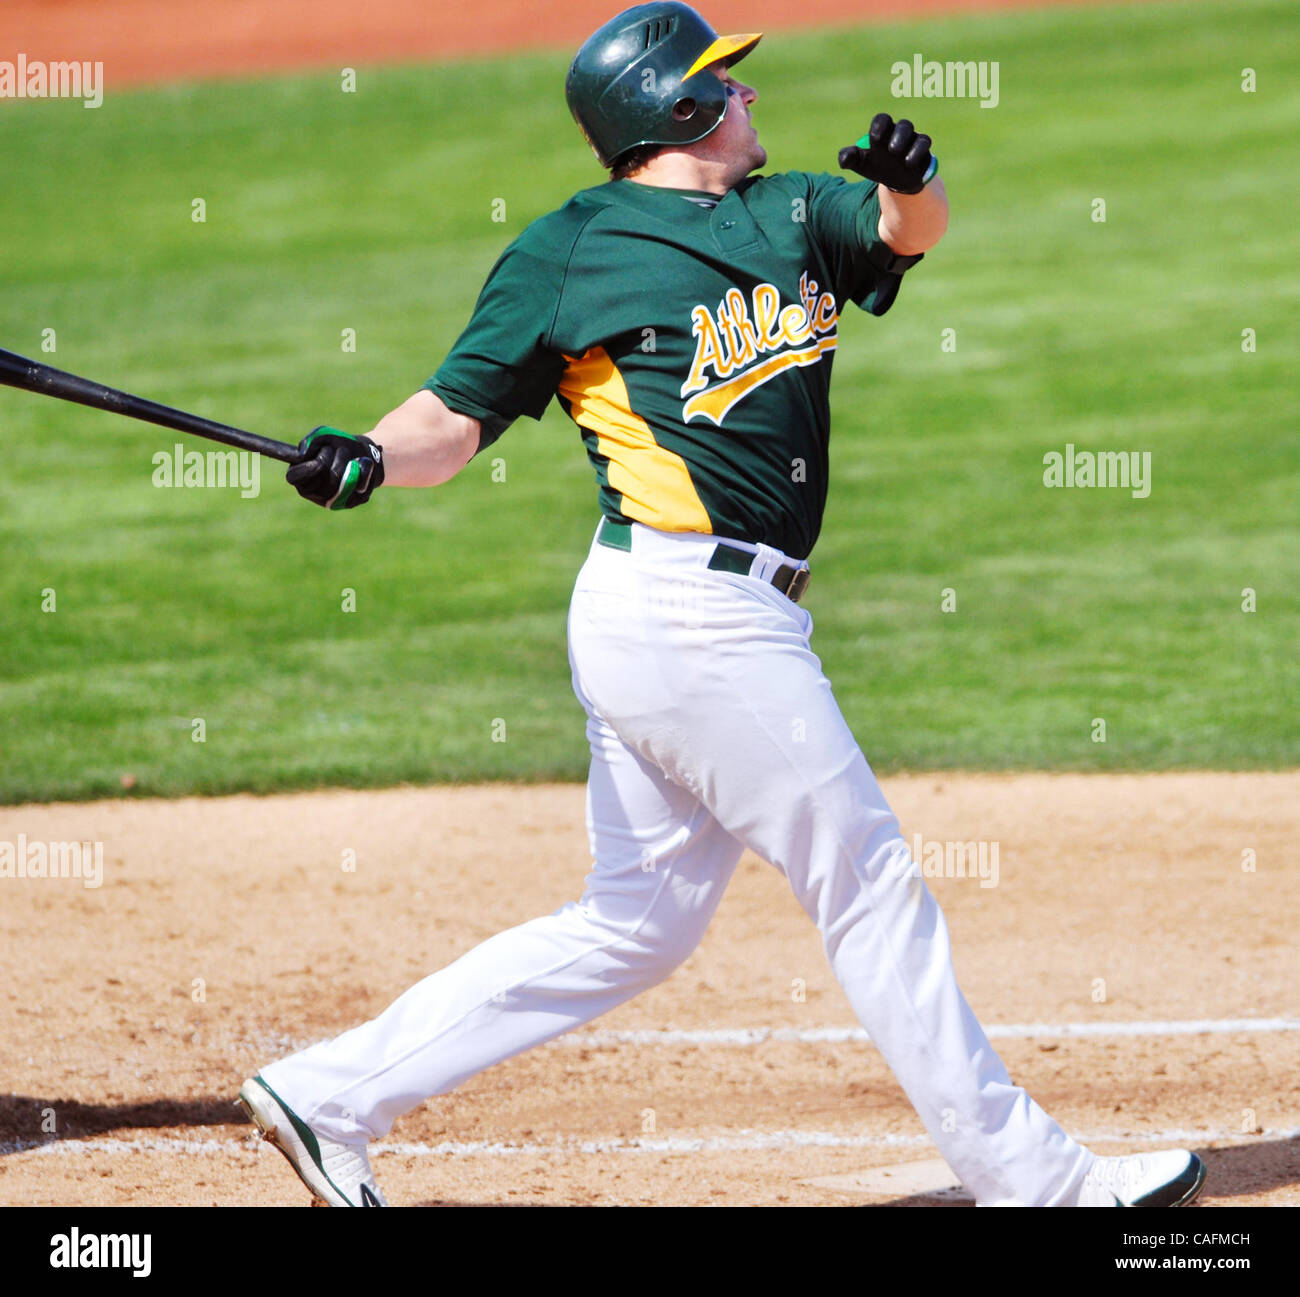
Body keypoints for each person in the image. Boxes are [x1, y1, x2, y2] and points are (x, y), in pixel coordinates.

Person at [238, 3, 1205, 1208]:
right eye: (722, 85)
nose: (748, 96)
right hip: (684, 616)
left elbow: (909, 235)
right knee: (867, 882)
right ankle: (1039, 1185)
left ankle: (329, 1092)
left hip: (705, 622)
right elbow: (451, 416)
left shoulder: (793, 209)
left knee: (634, 924)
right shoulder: (571, 248)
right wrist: (368, 457)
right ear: (673, 108)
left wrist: (916, 185)